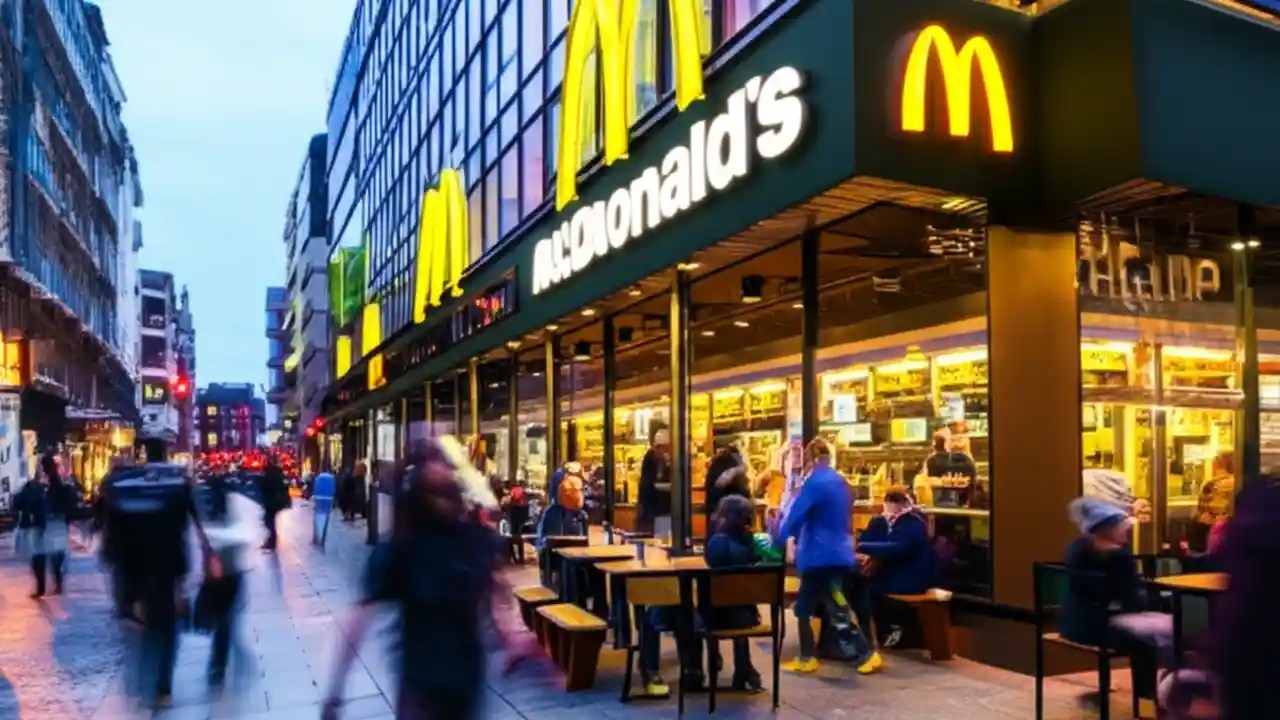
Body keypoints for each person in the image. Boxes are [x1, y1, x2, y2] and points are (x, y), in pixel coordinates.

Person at [323, 440, 498, 719]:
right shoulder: (401, 551)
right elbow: (359, 619)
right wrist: (336, 689)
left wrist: (514, 637)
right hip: (422, 688)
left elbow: (493, 588)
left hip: (465, 684)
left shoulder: (471, 539)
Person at [775, 438, 878, 675]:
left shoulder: (815, 484)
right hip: (838, 551)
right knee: (807, 606)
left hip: (819, 554)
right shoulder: (841, 482)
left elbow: (795, 515)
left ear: (810, 459)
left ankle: (864, 653)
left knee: (834, 604)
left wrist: (779, 540)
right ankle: (808, 655)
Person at [1060, 496, 1155, 708]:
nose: (1125, 530)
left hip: (1073, 622)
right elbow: (1132, 600)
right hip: (1101, 628)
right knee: (1149, 639)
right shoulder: (1120, 558)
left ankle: (1108, 694)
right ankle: (1147, 698)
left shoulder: (1076, 549)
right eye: (1121, 526)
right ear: (1108, 528)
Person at [855, 487, 936, 649]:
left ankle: (886, 633)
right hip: (897, 572)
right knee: (863, 586)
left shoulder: (913, 523)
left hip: (911, 578)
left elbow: (897, 547)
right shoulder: (885, 522)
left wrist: (862, 546)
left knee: (868, 588)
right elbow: (875, 540)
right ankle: (881, 633)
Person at [704, 494, 764, 692]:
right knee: (738, 606)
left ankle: (697, 669)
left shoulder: (716, 543)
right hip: (745, 617)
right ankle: (744, 669)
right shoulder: (749, 545)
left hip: (714, 617)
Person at [15, 453, 77, 597]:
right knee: (51, 556)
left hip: (42, 524)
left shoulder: (37, 485)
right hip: (51, 524)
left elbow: (19, 502)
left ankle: (45, 585)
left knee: (41, 556)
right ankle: (54, 582)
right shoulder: (57, 484)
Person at [704, 445, 750, 532]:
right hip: (728, 519)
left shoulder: (716, 466)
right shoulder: (727, 465)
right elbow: (720, 482)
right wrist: (739, 469)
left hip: (719, 516)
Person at [637, 427, 672, 538]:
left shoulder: (664, 460)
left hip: (663, 509)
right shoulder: (651, 460)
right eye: (664, 448)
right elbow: (648, 485)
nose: (665, 451)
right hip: (655, 509)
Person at [258, 456, 290, 550]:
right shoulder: (278, 472)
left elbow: (266, 486)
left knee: (269, 521)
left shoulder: (270, 473)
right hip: (275, 501)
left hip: (271, 501)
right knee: (269, 521)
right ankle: (272, 541)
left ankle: (272, 542)